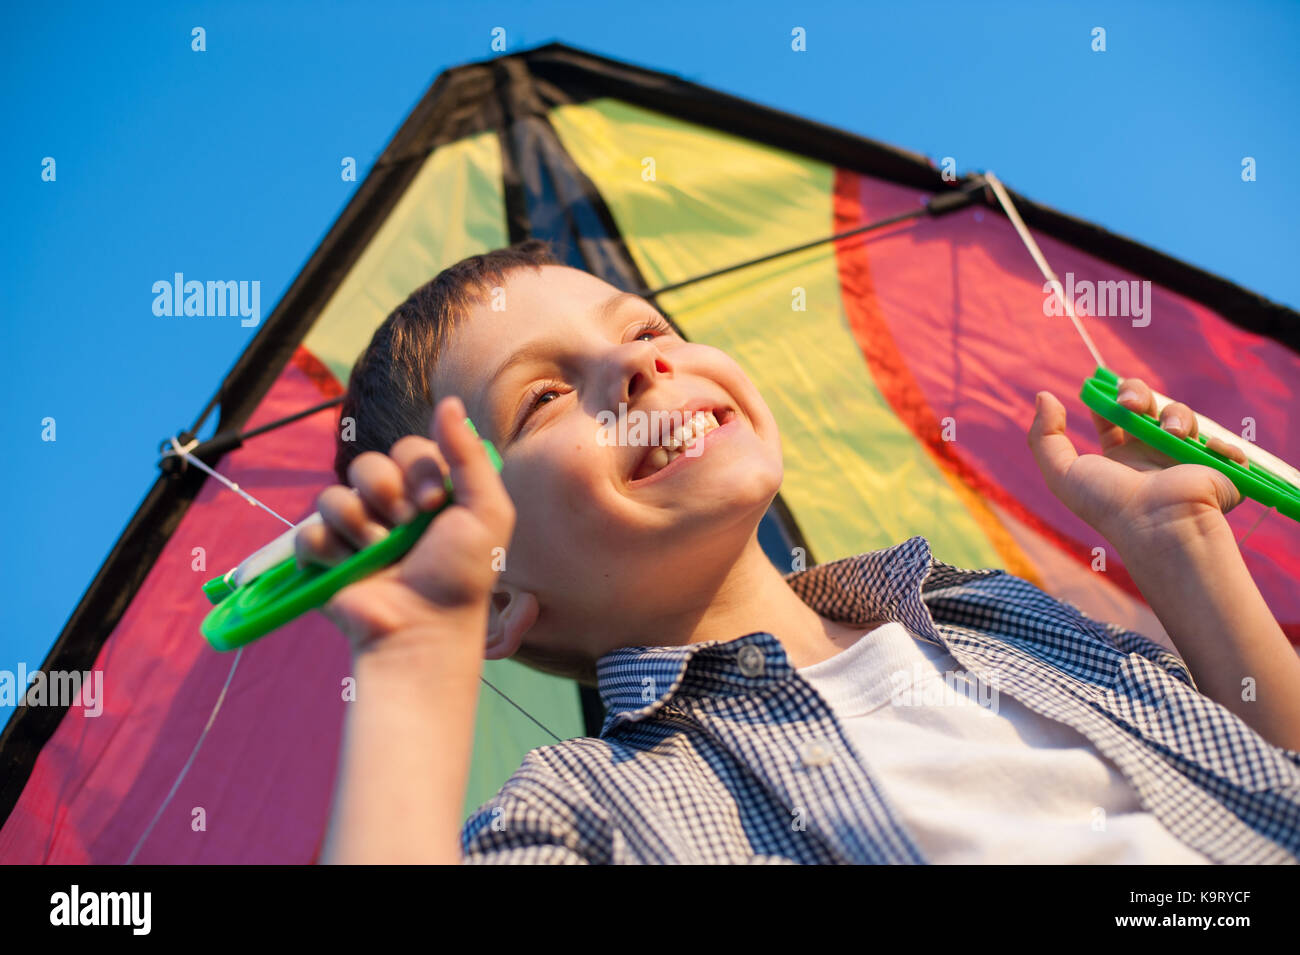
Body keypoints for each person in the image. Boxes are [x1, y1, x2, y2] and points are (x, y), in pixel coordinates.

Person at [304, 239, 1300, 864]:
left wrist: (1186, 547)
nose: (636, 362)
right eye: (544, 397)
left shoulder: (997, 612)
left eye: (644, 325)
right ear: (494, 597)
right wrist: (409, 670)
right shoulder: (591, 812)